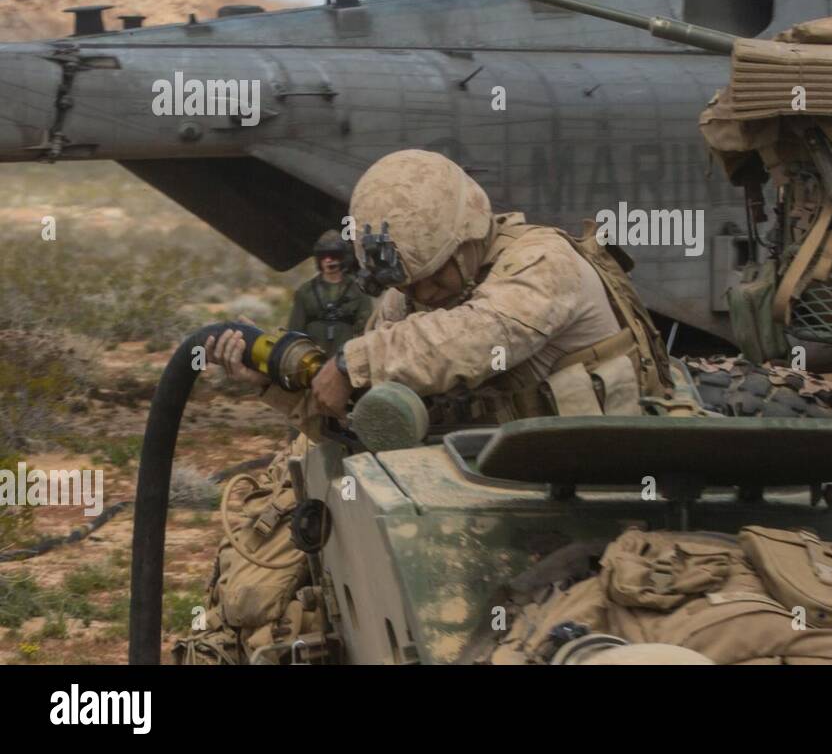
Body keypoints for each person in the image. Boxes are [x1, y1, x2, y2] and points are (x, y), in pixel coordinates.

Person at [177, 150, 675, 663]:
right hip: (493, 501)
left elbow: (472, 337)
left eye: (433, 278)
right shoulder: (413, 296)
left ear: (469, 235)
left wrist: (354, 362)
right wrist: (275, 386)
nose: (423, 294)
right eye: (408, 284)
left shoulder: (544, 263)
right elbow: (370, 417)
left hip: (606, 499)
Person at [287, 229, 372, 357]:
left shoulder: (358, 290)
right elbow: (294, 330)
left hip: (346, 357)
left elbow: (367, 328)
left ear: (343, 258)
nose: (328, 260)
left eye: (334, 256)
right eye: (323, 256)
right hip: (311, 357)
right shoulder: (306, 291)